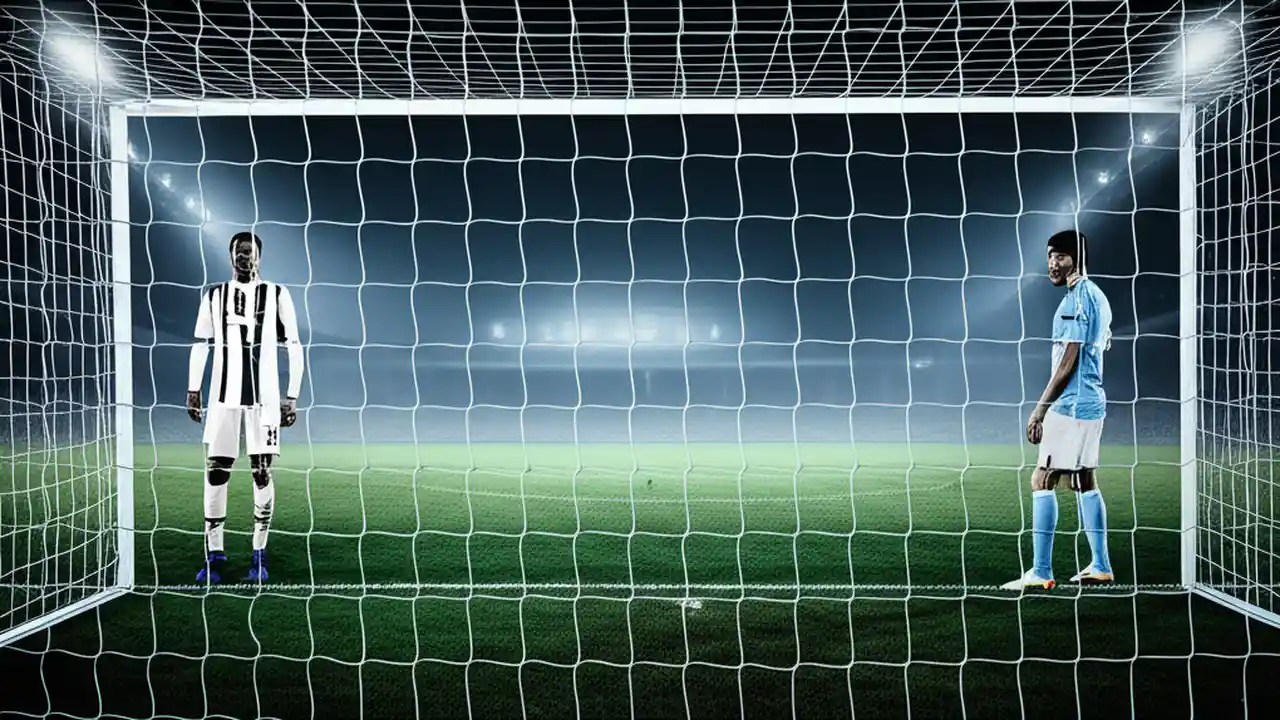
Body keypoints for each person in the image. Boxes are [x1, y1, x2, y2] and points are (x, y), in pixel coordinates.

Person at [187, 231, 303, 583]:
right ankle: (214, 555)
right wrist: (193, 389)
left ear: (259, 257)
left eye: (250, 252)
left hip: (264, 400)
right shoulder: (213, 296)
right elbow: (201, 343)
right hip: (223, 398)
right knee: (215, 471)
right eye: (239, 252)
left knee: (261, 472)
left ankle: (258, 555)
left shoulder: (277, 294)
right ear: (230, 255)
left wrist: (291, 395)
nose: (245, 257)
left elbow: (294, 345)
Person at [1003, 229, 1115, 590]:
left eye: (1060, 256)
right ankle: (1100, 565)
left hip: (1070, 405)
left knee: (1042, 478)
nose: (1052, 263)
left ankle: (1041, 572)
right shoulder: (1098, 296)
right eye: (1050, 255)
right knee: (1083, 480)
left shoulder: (1075, 300)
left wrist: (1039, 410)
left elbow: (1068, 363)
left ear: (1077, 258)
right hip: (1093, 401)